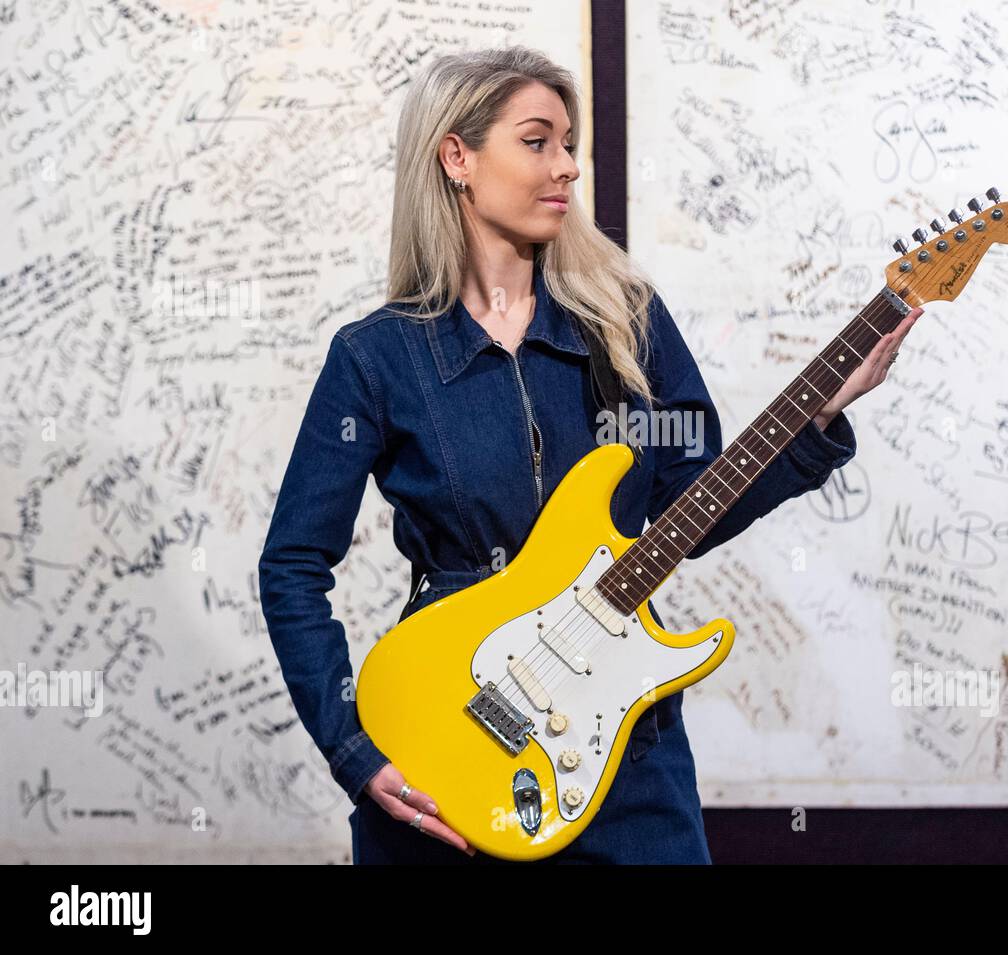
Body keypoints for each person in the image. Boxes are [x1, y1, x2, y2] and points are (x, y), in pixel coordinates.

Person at [257, 46, 922, 865]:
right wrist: (356, 753)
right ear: (456, 156)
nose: (567, 167)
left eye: (570, 144)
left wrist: (817, 416)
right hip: (445, 745)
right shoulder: (375, 357)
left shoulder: (626, 320)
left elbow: (694, 508)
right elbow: (292, 564)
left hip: (623, 758)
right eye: (537, 141)